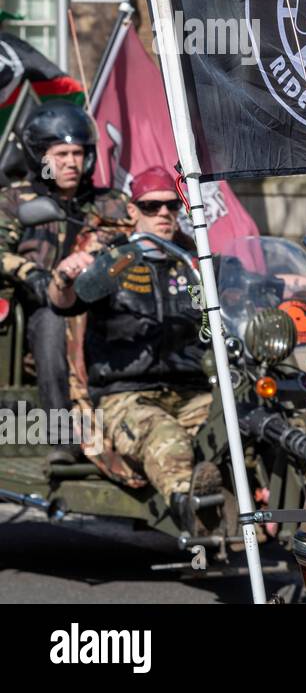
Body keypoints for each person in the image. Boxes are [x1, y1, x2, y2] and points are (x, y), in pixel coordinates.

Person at [45, 166, 219, 530]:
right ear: (133, 211)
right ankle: (192, 510)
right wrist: (63, 277)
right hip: (125, 397)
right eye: (151, 207)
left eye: (172, 206)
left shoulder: (190, 265)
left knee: (245, 422)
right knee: (167, 441)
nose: (163, 215)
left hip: (190, 390)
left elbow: (220, 312)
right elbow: (65, 303)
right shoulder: (113, 263)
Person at [0, 102, 131, 461]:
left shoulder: (112, 203)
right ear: (40, 155)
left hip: (108, 303)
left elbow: (150, 238)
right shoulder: (14, 200)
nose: (72, 162)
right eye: (61, 154)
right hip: (45, 305)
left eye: (78, 153)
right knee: (51, 326)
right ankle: (62, 436)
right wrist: (33, 275)